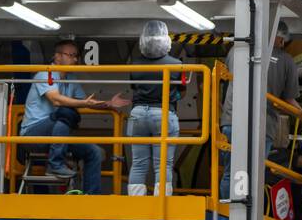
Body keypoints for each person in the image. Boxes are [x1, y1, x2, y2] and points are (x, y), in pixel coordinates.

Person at [19, 40, 128, 194]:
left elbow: (86, 102)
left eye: (76, 56)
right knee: (66, 112)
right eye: (71, 55)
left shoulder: (71, 78)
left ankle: (91, 197)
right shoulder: (46, 73)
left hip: (58, 137)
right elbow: (56, 100)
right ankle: (54, 165)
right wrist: (82, 102)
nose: (75, 60)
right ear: (57, 57)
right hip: (33, 135)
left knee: (94, 152)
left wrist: (109, 103)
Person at [218, 19, 300, 200]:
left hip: (231, 120)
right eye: (282, 39)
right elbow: (289, 99)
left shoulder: (236, 50)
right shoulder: (286, 60)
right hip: (261, 126)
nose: (283, 43)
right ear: (278, 38)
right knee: (252, 174)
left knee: (231, 172)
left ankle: (225, 215)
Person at [126, 20, 185, 196]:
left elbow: (134, 87)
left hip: (137, 114)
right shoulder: (177, 64)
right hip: (163, 113)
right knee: (163, 163)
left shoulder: (134, 64)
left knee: (138, 163)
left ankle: (136, 207)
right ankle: (162, 206)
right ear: (166, 39)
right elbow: (182, 92)